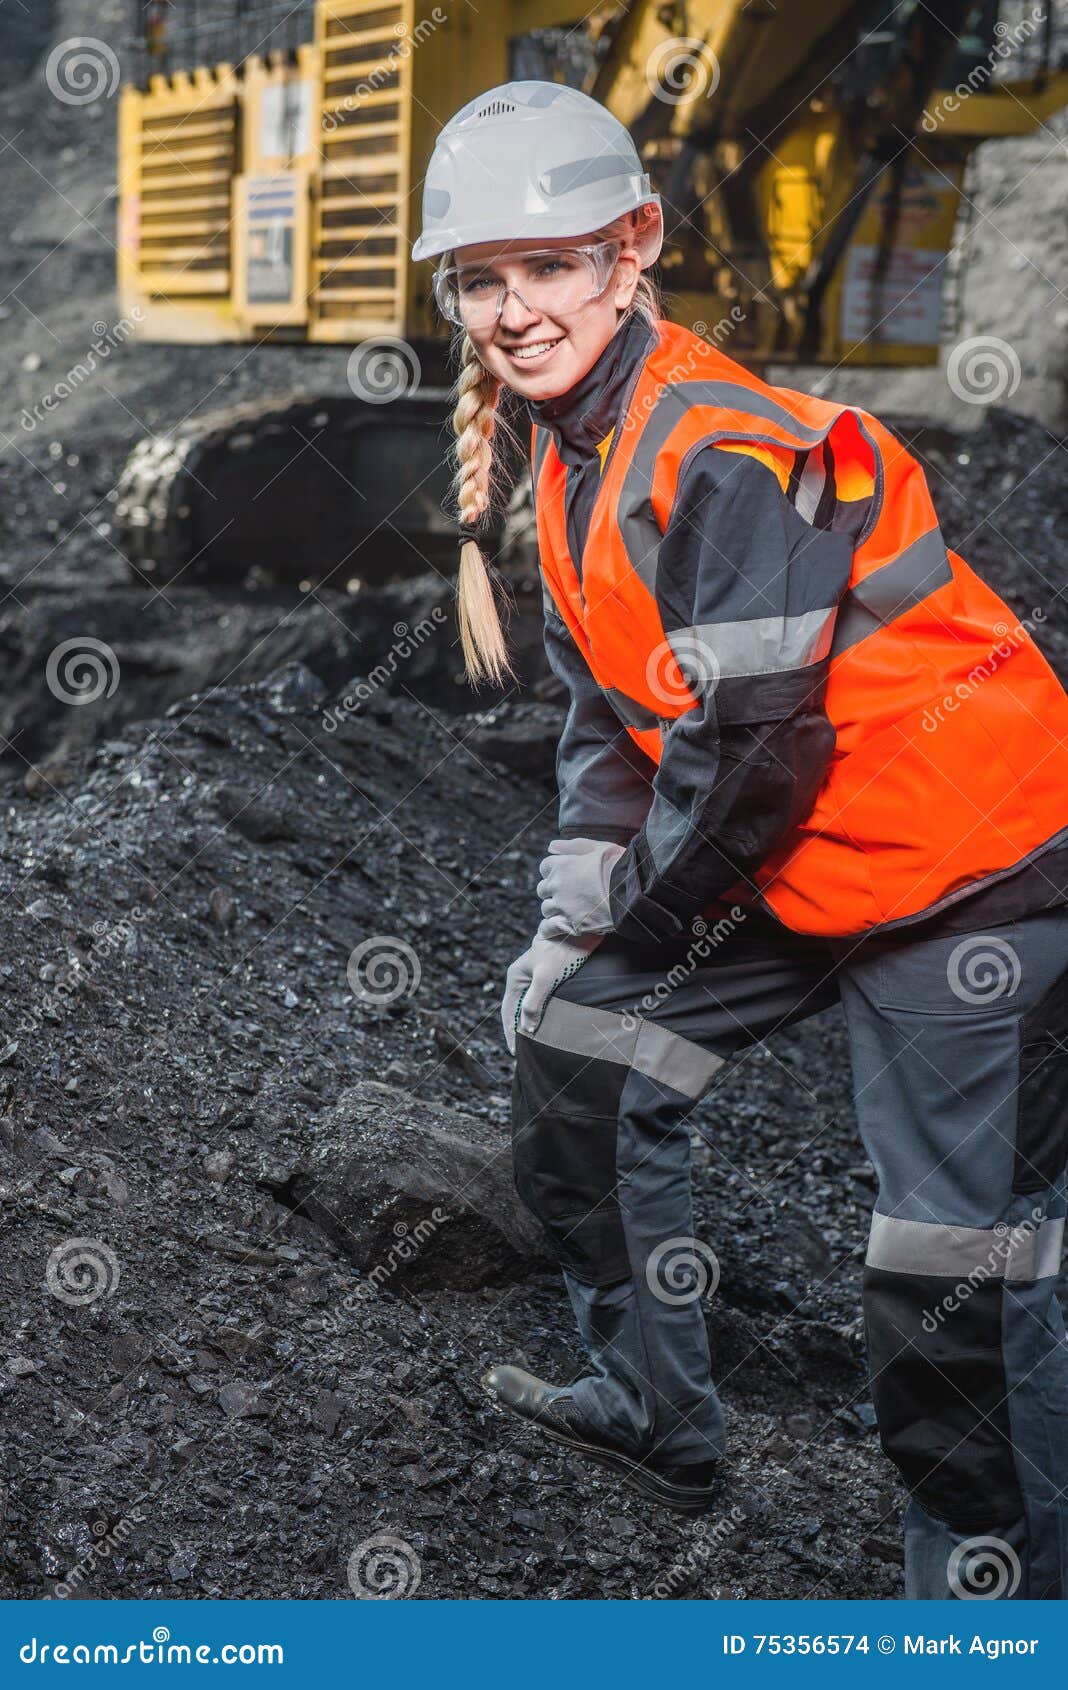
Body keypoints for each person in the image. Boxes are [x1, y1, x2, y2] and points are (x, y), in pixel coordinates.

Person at [410, 80, 1068, 1599]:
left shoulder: (708, 446)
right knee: (581, 1061)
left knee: (949, 1270)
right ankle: (654, 1408)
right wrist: (575, 910)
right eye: (484, 279)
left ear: (631, 251)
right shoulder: (574, 452)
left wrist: (627, 917)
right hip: (809, 851)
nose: (514, 311)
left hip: (970, 866)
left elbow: (750, 763)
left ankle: (990, 1584)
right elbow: (613, 711)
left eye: (550, 266)